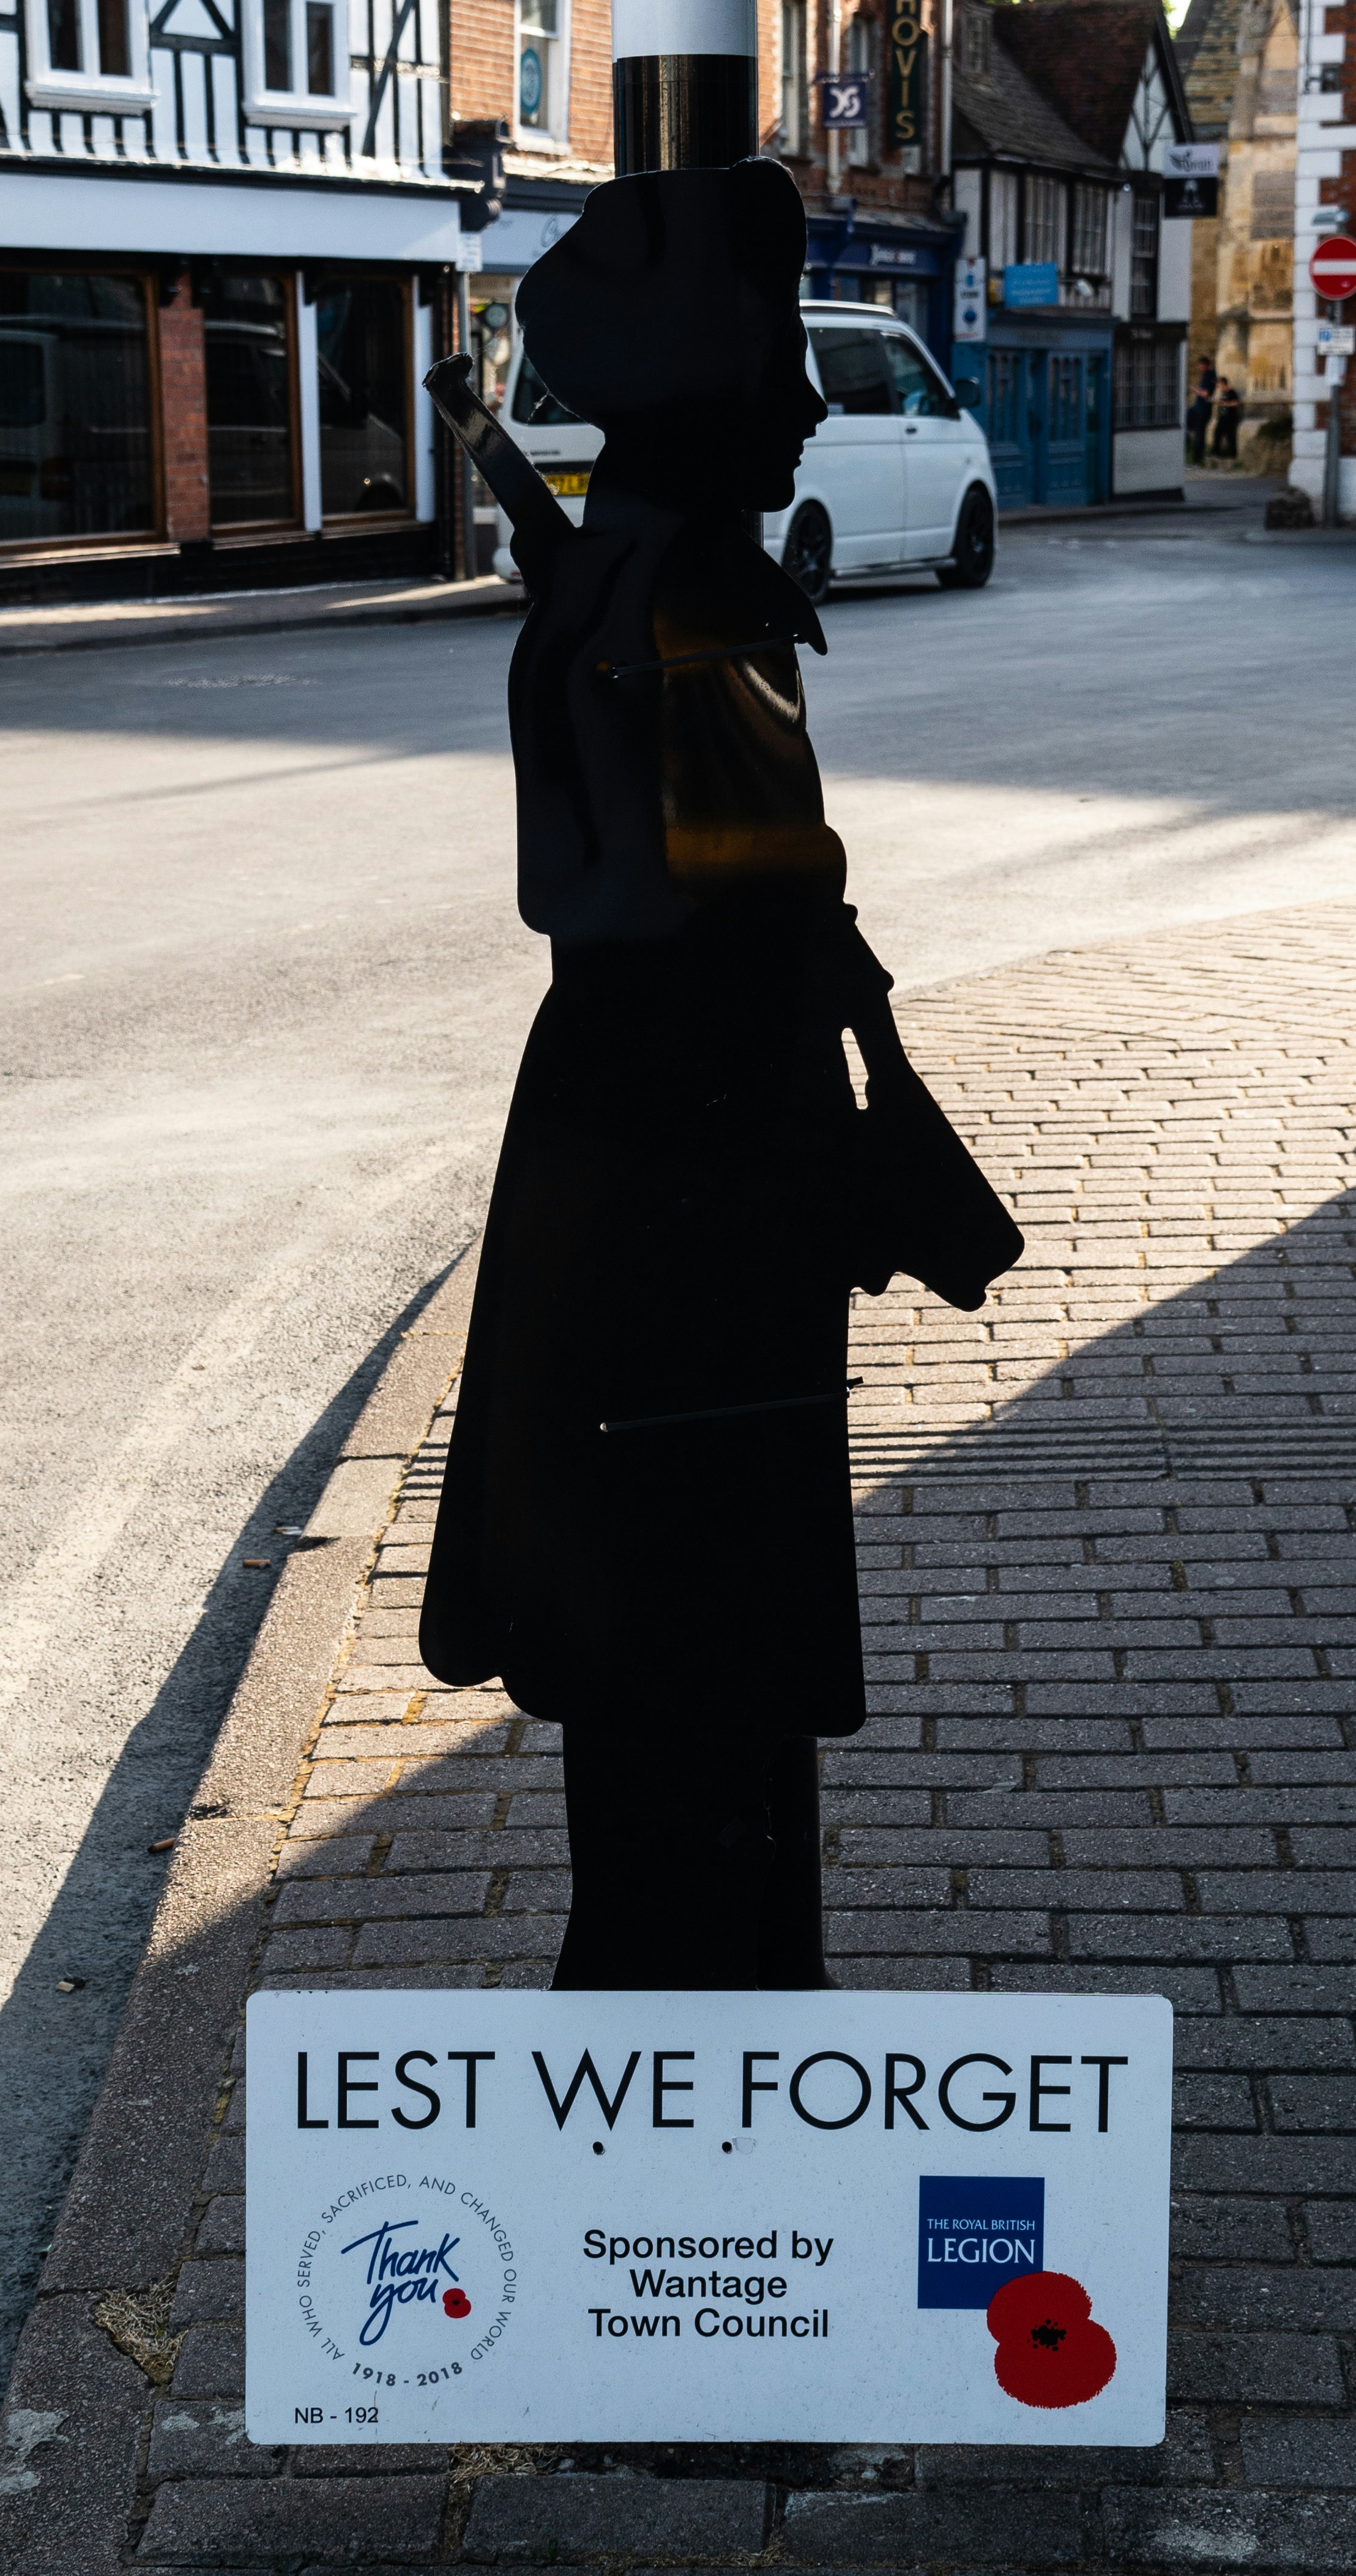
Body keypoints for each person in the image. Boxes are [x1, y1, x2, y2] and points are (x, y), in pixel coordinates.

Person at [418, 162, 1022, 1992]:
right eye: (779, 370)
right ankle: (706, 2010)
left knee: (633, 1607)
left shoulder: (618, 566)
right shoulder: (704, 605)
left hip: (606, 1125)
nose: (811, 403)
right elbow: (766, 916)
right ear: (706, 394)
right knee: (709, 1604)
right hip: (705, 1149)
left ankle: (648, 1967)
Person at [1186, 359, 1215, 467]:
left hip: (1202, 410)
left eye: (1200, 366)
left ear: (1205, 365)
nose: (1199, 368)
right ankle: (1194, 459)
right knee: (1187, 418)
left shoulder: (1209, 375)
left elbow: (1205, 394)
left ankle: (1196, 461)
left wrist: (1194, 389)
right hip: (1198, 409)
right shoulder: (1208, 375)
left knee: (1199, 435)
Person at [1212, 374, 1245, 461]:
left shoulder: (1232, 392)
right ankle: (1216, 453)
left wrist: (1226, 404)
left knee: (1230, 436)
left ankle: (1233, 455)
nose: (1218, 387)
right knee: (1217, 434)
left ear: (1224, 384)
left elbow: (1236, 403)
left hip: (1230, 419)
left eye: (1219, 385)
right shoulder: (1224, 394)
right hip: (1223, 418)